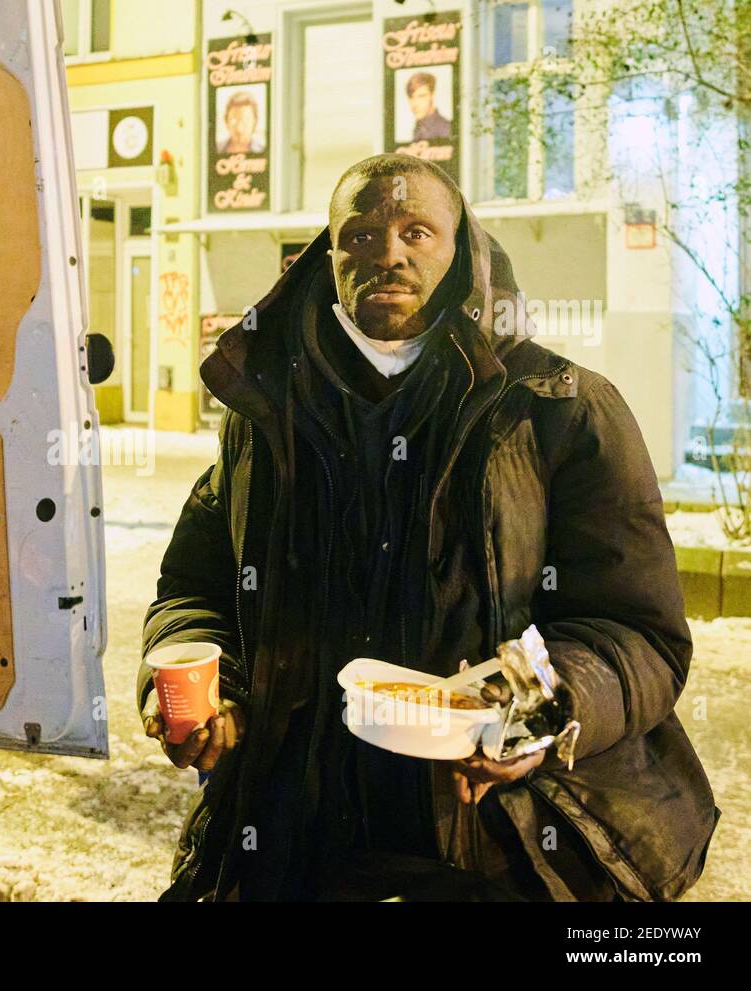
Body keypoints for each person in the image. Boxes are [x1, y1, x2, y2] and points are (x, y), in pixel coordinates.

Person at [139, 153, 718, 902]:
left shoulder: (561, 410)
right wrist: (200, 677)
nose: (387, 252)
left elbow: (638, 633)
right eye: (359, 235)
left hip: (497, 846)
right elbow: (197, 587)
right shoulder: (266, 416)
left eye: (418, 230)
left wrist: (535, 713)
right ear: (326, 255)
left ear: (461, 252)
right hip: (297, 844)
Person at [406, 71, 452, 142]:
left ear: (432, 96)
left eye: (421, 96)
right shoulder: (418, 128)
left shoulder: (446, 128)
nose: (414, 104)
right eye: (411, 97)